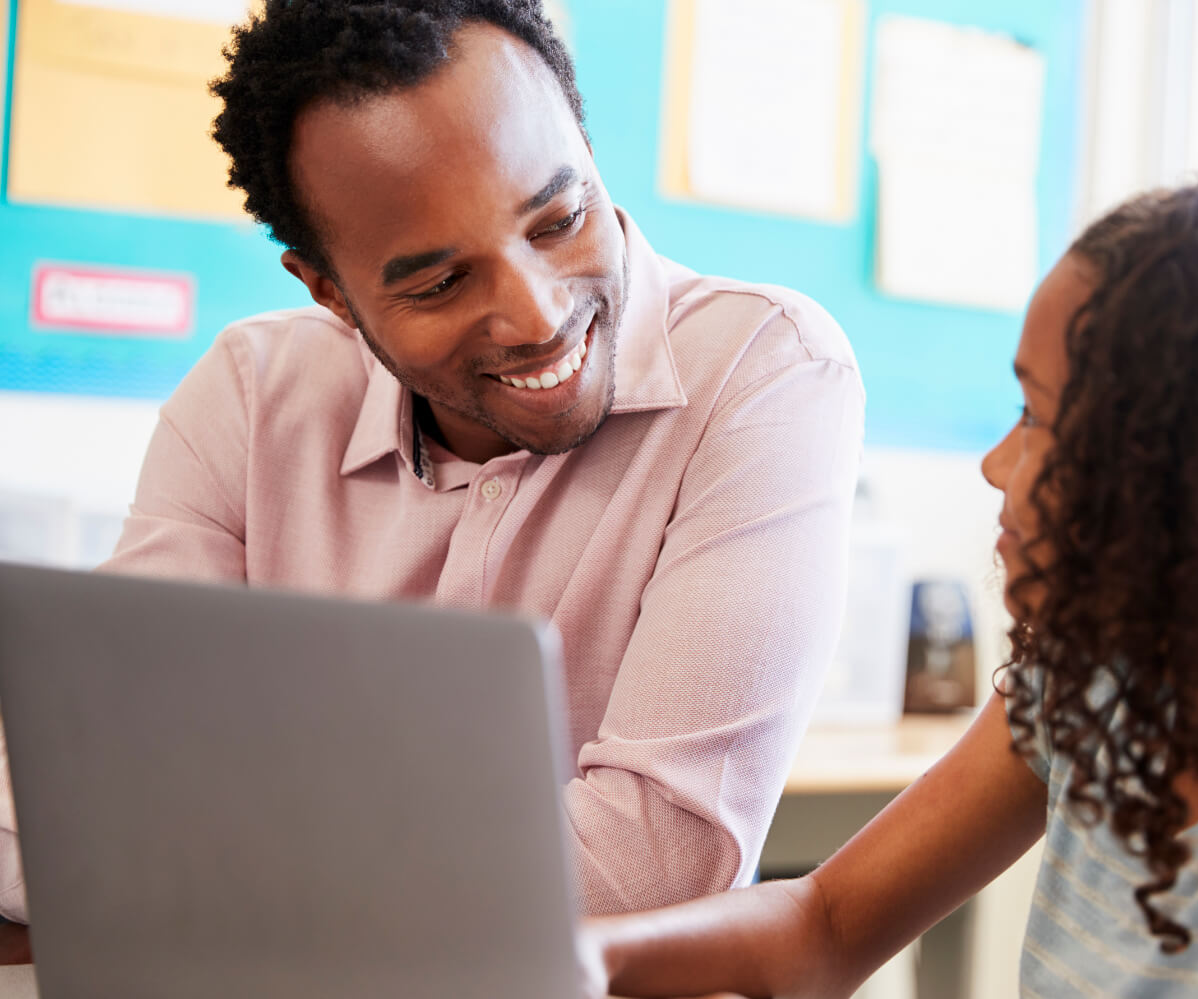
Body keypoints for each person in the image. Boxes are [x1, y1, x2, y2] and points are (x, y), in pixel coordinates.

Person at [0, 1, 864, 924]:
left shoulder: (763, 369)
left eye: (559, 218)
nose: (537, 316)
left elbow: (650, 860)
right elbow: (54, 799)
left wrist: (196, 860)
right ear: (330, 290)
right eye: (441, 282)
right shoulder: (252, 398)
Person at [582, 174, 1198, 998]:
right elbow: (820, 926)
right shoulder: (1084, 688)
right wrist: (587, 958)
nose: (993, 465)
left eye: (1035, 415)